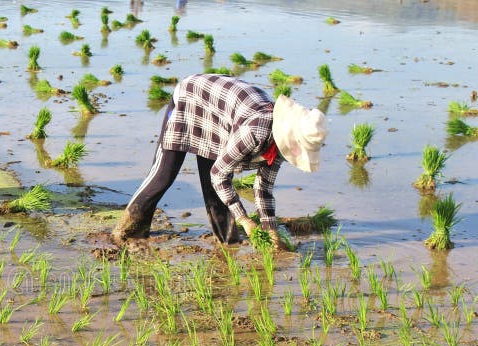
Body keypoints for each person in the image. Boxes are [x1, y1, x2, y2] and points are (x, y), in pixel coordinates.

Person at [112, 74, 327, 250]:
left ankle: (228, 242)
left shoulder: (279, 147)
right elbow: (219, 175)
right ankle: (126, 230)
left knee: (216, 185)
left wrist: (271, 231)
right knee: (164, 174)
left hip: (221, 118)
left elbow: (263, 188)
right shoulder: (255, 132)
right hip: (193, 99)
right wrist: (245, 220)